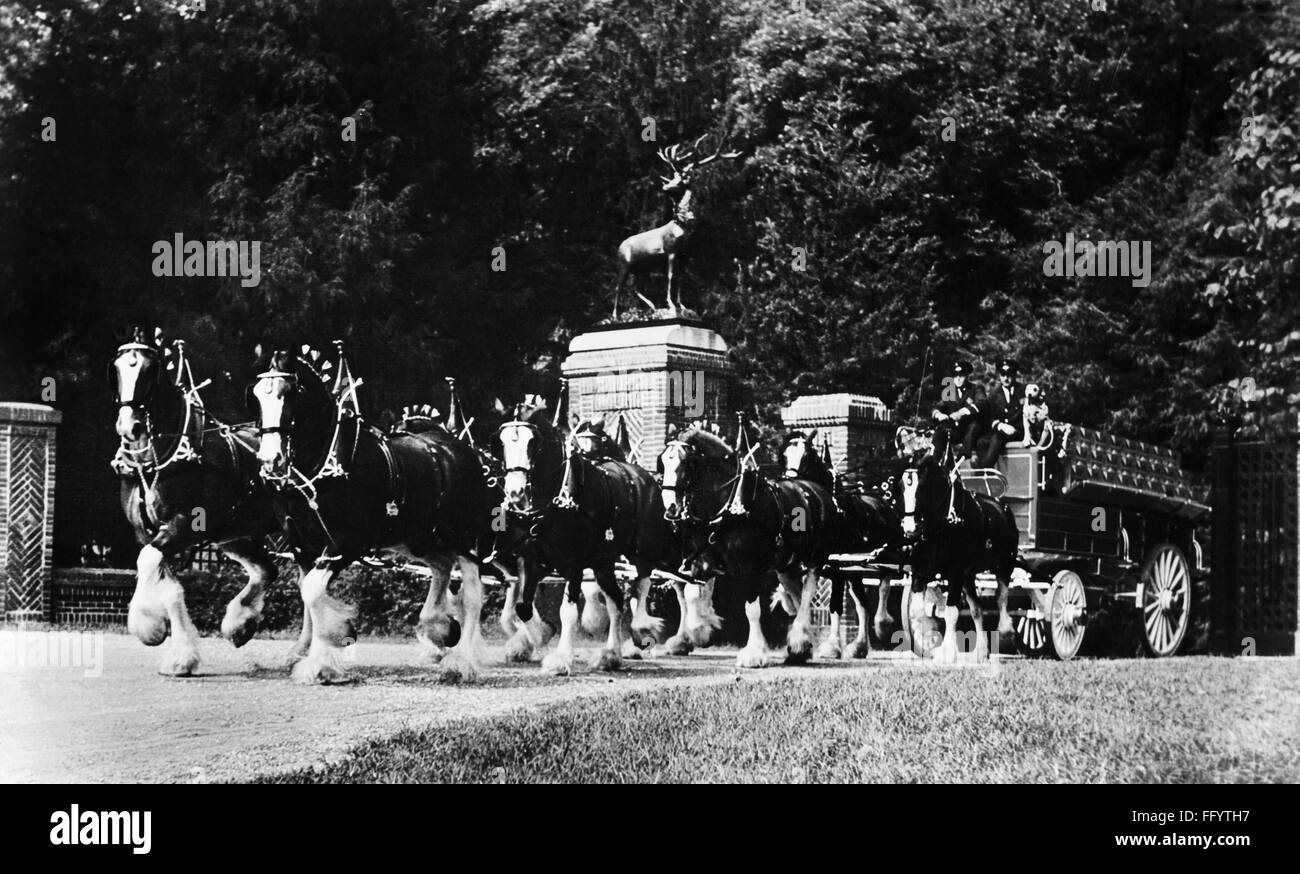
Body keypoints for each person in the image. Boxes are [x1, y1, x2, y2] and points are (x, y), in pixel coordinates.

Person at [931, 360, 984, 464]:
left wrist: (961, 413)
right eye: (955, 376)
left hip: (971, 431)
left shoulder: (975, 388)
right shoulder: (950, 392)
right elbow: (938, 406)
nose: (958, 378)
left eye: (962, 375)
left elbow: (981, 404)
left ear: (967, 375)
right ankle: (934, 463)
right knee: (939, 434)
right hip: (956, 431)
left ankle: (962, 458)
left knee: (974, 426)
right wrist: (938, 414)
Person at [976, 358, 1025, 468]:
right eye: (1003, 374)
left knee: (997, 437)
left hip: (1018, 431)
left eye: (1009, 374)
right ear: (999, 375)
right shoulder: (994, 394)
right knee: (981, 441)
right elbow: (988, 416)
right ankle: (987, 477)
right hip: (1002, 430)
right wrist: (1000, 425)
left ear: (1014, 374)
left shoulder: (1023, 391)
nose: (1006, 378)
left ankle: (982, 469)